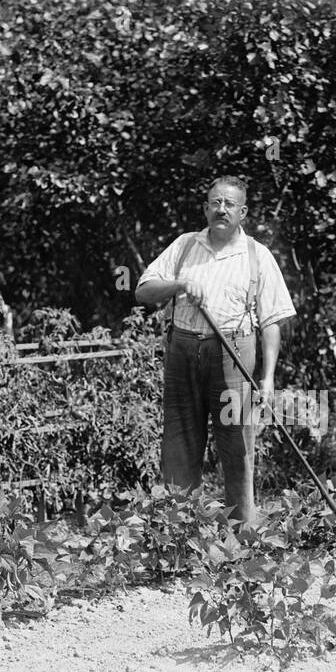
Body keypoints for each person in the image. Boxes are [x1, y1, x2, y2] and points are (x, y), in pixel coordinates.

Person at [135, 176, 296, 524]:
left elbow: (271, 322)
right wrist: (179, 284)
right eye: (215, 203)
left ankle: (242, 534)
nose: (221, 210)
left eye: (229, 204)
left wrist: (267, 379)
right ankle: (180, 534)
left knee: (237, 443)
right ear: (206, 208)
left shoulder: (257, 255)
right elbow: (143, 291)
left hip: (234, 352)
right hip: (182, 348)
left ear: (243, 211)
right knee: (179, 439)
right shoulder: (184, 246)